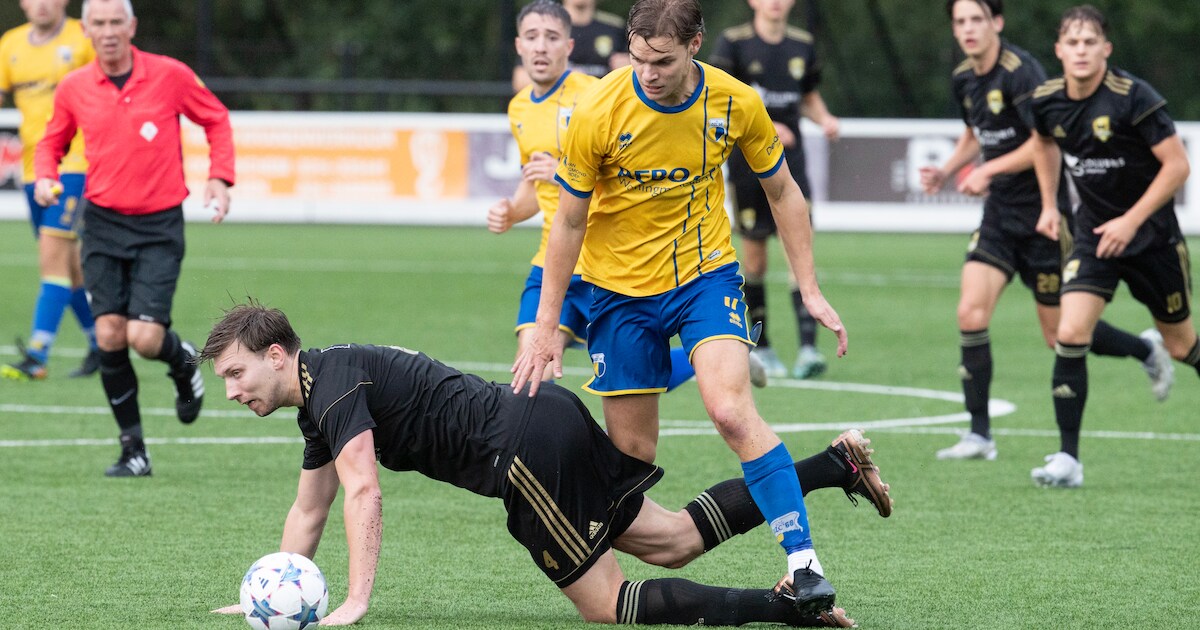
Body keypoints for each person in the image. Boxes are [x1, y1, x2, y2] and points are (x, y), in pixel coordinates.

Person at [200, 303, 892, 626]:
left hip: (523, 454)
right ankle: (834, 466)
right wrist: (269, 594)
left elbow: (362, 494)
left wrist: (354, 601)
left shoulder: (338, 384)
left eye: (237, 374)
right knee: (674, 539)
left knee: (610, 607)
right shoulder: (323, 392)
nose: (232, 392)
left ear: (278, 354)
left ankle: (786, 610)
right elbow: (311, 507)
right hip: (542, 421)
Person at [510, 0, 849, 616]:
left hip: (703, 277)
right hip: (617, 297)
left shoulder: (735, 101)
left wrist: (811, 288)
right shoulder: (599, 111)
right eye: (638, 59)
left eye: (661, 61)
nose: (647, 72)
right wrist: (544, 327)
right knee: (632, 470)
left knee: (730, 411)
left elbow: (783, 190)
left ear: (695, 44)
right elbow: (567, 223)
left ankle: (803, 564)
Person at [919, 0, 1172, 462]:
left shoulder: (1023, 73)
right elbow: (975, 134)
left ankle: (1144, 349)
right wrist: (949, 169)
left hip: (1044, 218)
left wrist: (989, 170)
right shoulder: (962, 78)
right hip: (999, 216)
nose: (969, 29)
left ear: (997, 22)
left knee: (1059, 335)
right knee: (970, 313)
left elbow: (1043, 143)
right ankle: (979, 435)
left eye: (977, 19)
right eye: (960, 21)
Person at [491, 0, 764, 390]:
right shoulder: (519, 108)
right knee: (531, 375)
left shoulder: (597, 96)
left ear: (569, 45)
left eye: (551, 37)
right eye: (532, 37)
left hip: (602, 264)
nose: (540, 47)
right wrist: (512, 211)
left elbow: (613, 175)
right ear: (518, 46)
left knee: (633, 371)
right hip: (552, 261)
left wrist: (563, 174)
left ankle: (715, 359)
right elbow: (537, 187)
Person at [33, 0, 235, 477]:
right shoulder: (75, 87)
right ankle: (134, 450)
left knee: (144, 338)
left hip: (159, 226)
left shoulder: (169, 75)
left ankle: (181, 361)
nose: (107, 32)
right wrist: (45, 175)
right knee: (108, 333)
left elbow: (216, 119)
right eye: (98, 24)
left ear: (132, 26)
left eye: (115, 22)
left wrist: (220, 176)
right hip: (101, 223)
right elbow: (50, 142)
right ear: (85, 30)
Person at [1027, 5, 1194, 487]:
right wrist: (1048, 205)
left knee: (1183, 346)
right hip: (1094, 236)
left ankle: (1158, 349)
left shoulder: (1133, 97)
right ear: (1059, 50)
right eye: (1072, 43)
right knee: (1071, 332)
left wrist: (1132, 220)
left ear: (1106, 49)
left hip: (1153, 239)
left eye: (1090, 42)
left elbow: (1177, 166)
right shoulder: (1046, 100)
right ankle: (1068, 460)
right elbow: (1042, 143)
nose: (1081, 51)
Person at [709, 0, 840, 381]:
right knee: (755, 260)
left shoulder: (803, 44)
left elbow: (808, 97)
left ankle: (808, 348)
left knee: (799, 246)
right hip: (746, 165)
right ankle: (763, 347)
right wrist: (766, 125)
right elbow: (721, 98)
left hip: (790, 166)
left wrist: (826, 118)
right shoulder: (732, 43)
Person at [0, 0, 100, 381]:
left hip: (76, 164)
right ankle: (99, 344)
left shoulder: (84, 37)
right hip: (33, 170)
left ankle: (38, 354)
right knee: (68, 269)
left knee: (52, 260)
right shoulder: (9, 44)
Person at [512, 0, 630, 92]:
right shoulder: (545, 27)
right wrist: (567, 78)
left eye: (553, 38)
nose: (541, 47)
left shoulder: (615, 28)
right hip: (556, 108)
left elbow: (637, 72)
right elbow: (520, 80)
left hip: (604, 107)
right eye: (553, 38)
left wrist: (628, 69)